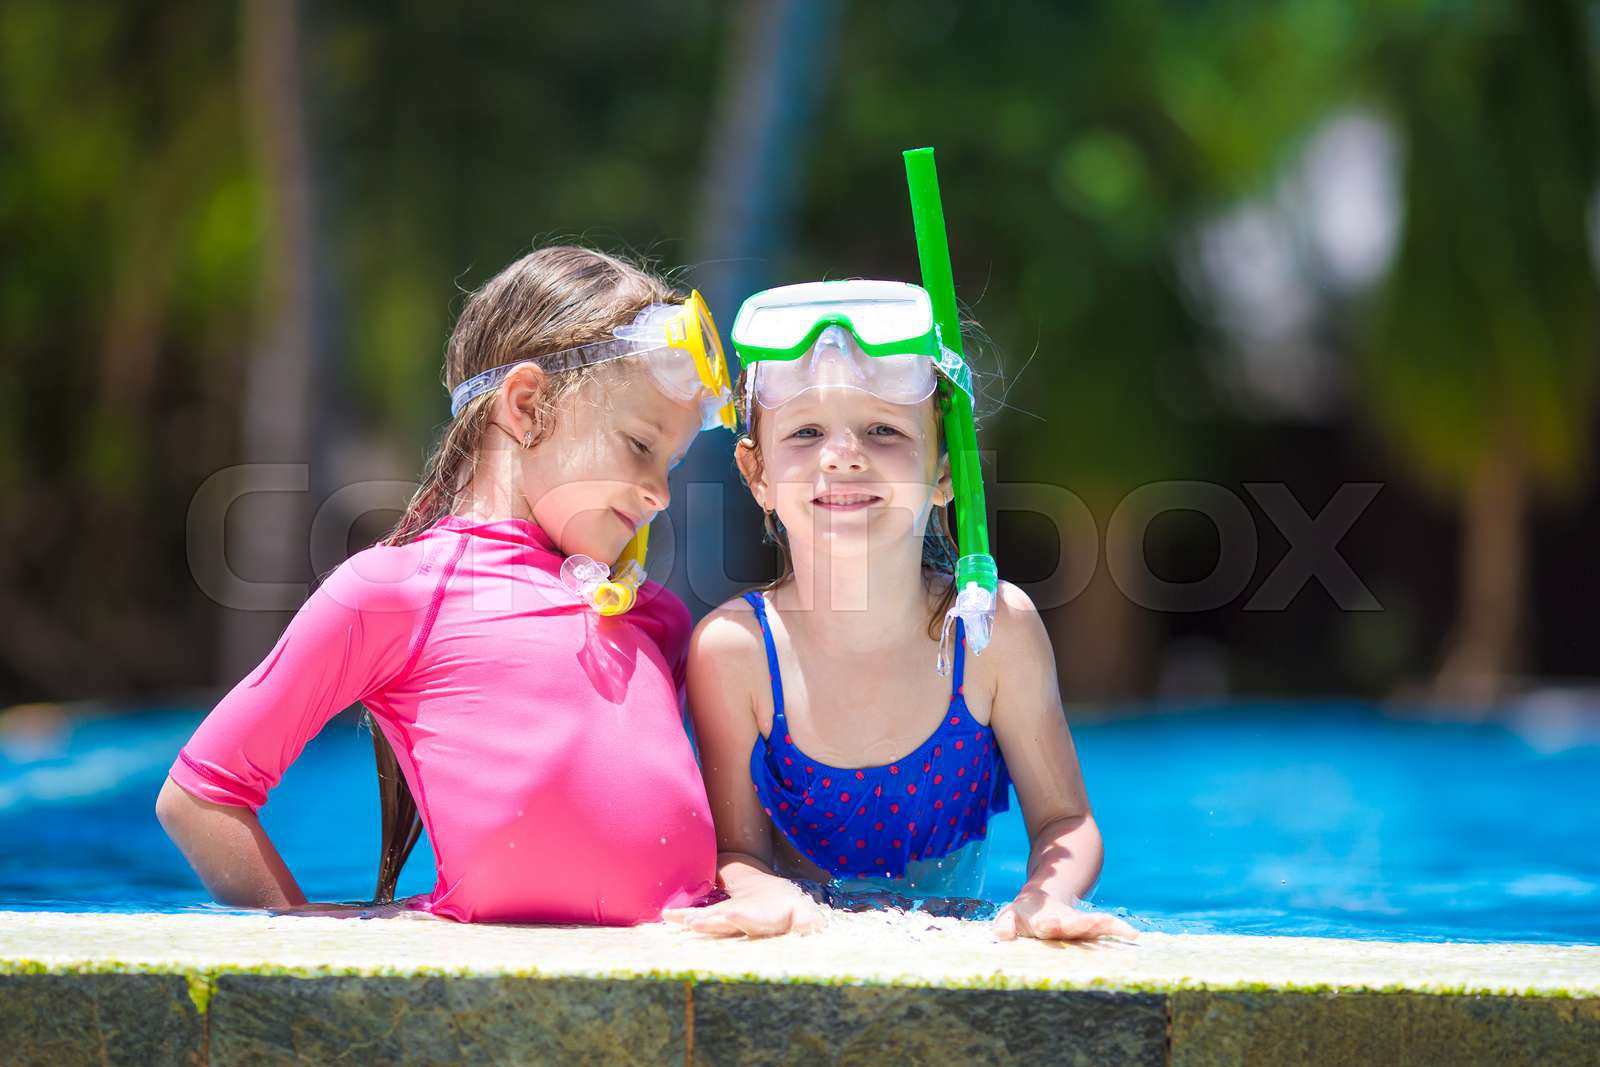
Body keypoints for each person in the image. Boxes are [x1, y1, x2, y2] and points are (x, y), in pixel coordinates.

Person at [157, 246, 736, 924]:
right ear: (527, 405)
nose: (661, 493)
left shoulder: (657, 619)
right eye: (641, 446)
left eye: (670, 462)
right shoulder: (396, 591)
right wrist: (305, 947)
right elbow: (200, 795)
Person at [671, 280, 1135, 941]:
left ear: (948, 467)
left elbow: (1065, 822)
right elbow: (737, 851)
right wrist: (763, 890)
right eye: (806, 432)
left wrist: (1047, 896)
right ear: (758, 475)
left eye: (883, 429)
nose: (844, 454)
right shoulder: (735, 652)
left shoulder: (988, 630)